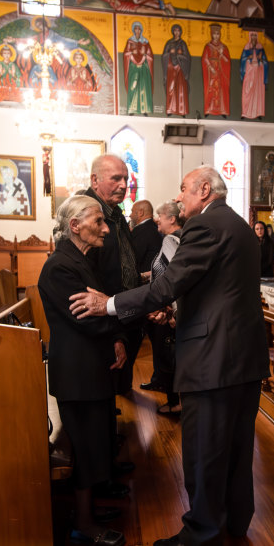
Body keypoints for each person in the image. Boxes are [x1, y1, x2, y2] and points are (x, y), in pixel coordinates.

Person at [69, 166, 270, 546]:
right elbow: (219, 291)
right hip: (244, 359)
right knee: (238, 449)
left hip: (214, 360)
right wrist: (177, 313)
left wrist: (109, 304)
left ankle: (201, 533)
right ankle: (235, 522)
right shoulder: (239, 224)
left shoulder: (204, 226)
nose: (178, 198)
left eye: (183, 190)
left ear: (205, 190)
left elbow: (168, 283)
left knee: (205, 451)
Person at [38, 196, 126, 546]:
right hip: (77, 372)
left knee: (98, 438)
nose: (106, 228)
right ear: (75, 226)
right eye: (99, 222)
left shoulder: (84, 260)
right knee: (87, 447)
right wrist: (116, 325)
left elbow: (104, 304)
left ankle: (89, 509)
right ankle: (84, 524)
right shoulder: (61, 266)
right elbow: (87, 317)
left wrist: (117, 334)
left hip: (91, 367)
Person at [84, 155, 142, 392]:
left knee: (119, 383)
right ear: (95, 180)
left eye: (126, 179)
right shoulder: (87, 211)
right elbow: (87, 275)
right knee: (104, 382)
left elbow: (123, 259)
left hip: (124, 310)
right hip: (105, 315)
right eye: (116, 178)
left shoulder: (115, 211)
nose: (123, 185)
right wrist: (113, 332)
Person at [144, 199, 184, 413]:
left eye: (160, 216)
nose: (156, 220)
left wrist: (173, 312)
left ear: (172, 219)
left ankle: (175, 402)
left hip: (167, 310)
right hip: (170, 307)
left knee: (167, 355)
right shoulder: (180, 237)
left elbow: (175, 276)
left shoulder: (170, 239)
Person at [123, 21, 153, 115]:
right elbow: (126, 54)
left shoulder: (145, 42)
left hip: (143, 67)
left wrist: (145, 56)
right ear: (133, 30)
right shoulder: (130, 41)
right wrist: (132, 56)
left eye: (139, 29)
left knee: (143, 87)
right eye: (135, 28)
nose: (137, 30)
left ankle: (144, 110)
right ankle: (132, 109)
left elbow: (150, 56)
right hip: (133, 67)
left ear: (141, 30)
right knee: (133, 87)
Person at [201, 24, 231, 117]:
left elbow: (227, 61)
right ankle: (209, 110)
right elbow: (204, 58)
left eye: (218, 34)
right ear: (211, 34)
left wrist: (222, 54)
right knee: (210, 89)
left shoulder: (224, 47)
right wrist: (211, 67)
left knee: (221, 90)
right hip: (211, 72)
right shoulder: (208, 46)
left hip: (220, 71)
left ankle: (222, 111)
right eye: (214, 34)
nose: (216, 36)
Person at [162, 24, 190, 116]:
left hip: (180, 68)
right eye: (175, 30)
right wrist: (169, 54)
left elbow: (187, 57)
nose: (176, 32)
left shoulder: (183, 43)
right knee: (171, 88)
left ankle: (182, 110)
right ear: (173, 32)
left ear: (180, 32)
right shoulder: (169, 43)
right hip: (170, 68)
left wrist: (179, 56)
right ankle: (170, 109)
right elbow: (164, 56)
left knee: (181, 88)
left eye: (178, 30)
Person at [240, 31, 268, 120]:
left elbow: (266, 62)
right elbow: (242, 60)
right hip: (249, 71)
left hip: (259, 72)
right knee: (247, 90)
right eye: (252, 35)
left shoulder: (260, 48)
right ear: (249, 36)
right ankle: (245, 113)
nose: (253, 37)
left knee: (258, 92)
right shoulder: (246, 47)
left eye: (255, 35)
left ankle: (258, 112)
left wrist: (261, 59)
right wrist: (248, 57)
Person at [129, 199, 162, 274]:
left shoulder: (143, 231)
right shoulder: (152, 227)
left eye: (132, 211)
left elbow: (132, 259)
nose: (130, 215)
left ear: (140, 213)